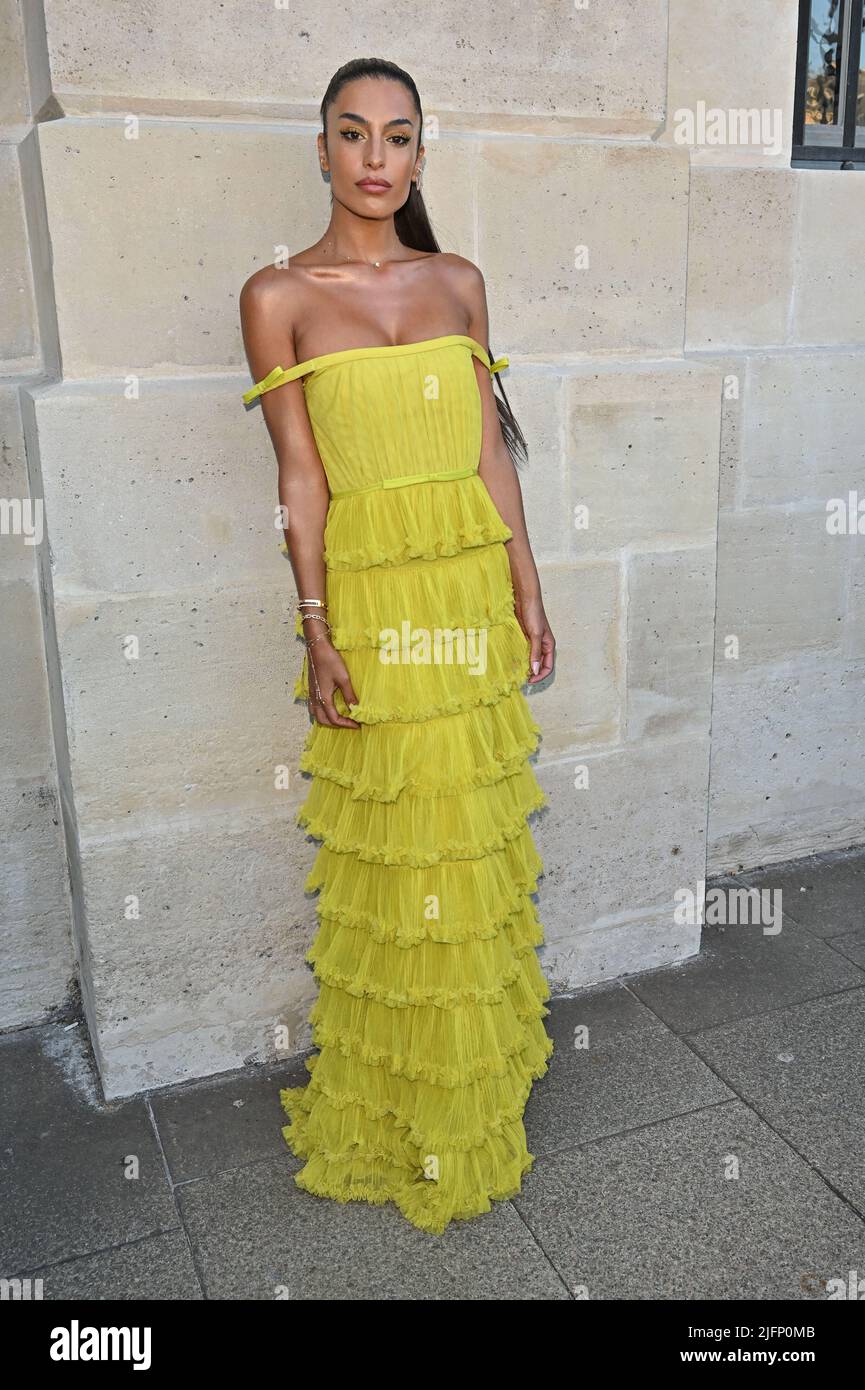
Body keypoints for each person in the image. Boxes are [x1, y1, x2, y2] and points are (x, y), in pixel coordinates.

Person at [239, 56, 556, 1236]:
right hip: (372, 604)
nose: (377, 159)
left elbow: (488, 458)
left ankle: (472, 1080)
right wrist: (314, 628)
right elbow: (301, 475)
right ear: (320, 150)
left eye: (399, 137)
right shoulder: (278, 296)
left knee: (465, 841)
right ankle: (399, 1095)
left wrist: (529, 589)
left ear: (422, 156)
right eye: (354, 134)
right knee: (397, 860)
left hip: (468, 594)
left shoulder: (461, 282)